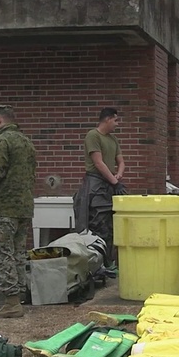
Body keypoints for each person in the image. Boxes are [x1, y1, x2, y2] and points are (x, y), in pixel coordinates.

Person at [0, 104, 37, 318]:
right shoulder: (26, 142)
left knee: (1, 253)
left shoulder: (1, 142)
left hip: (3, 207)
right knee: (18, 253)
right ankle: (19, 296)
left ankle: (11, 301)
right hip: (24, 207)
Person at [73, 107, 124, 265]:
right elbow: (98, 162)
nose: (117, 124)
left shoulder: (113, 139)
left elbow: (121, 162)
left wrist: (118, 175)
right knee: (98, 224)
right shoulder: (93, 136)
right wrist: (114, 182)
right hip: (96, 184)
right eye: (115, 120)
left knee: (111, 225)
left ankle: (110, 262)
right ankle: (98, 264)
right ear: (107, 119)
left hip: (110, 183)